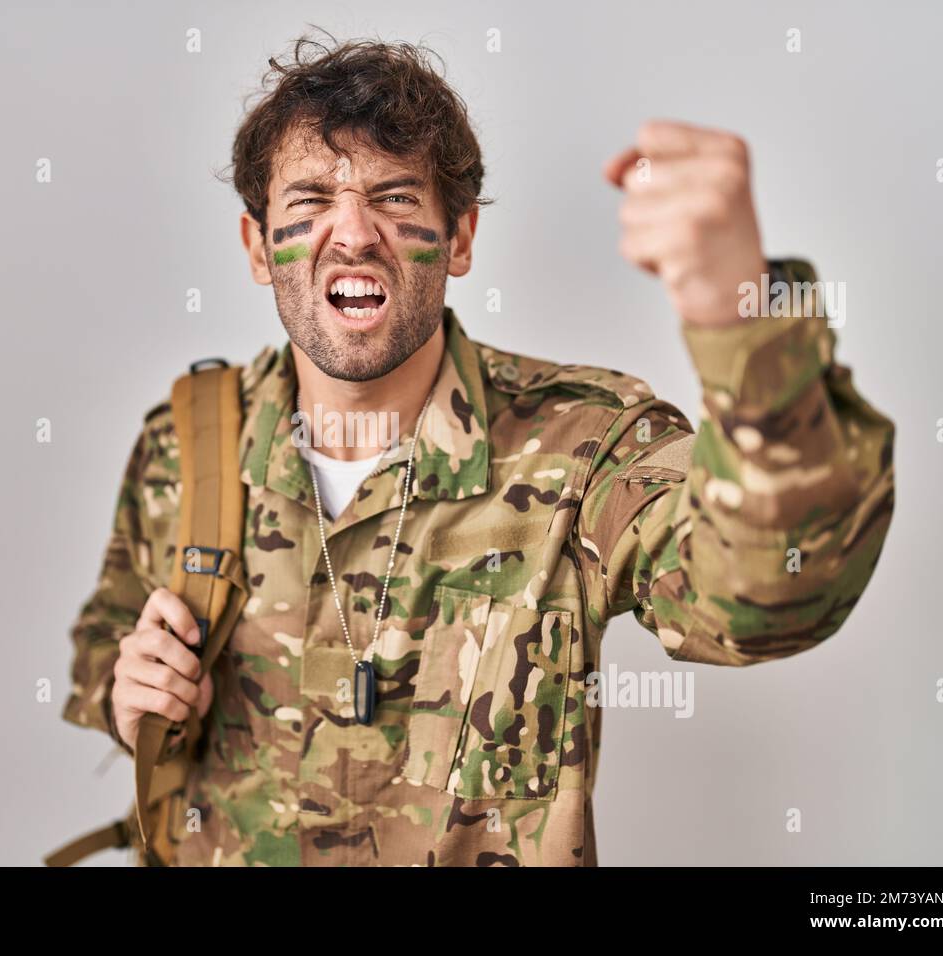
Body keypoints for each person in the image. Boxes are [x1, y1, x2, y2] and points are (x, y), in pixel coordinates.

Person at [61, 35, 895, 866]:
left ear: (459, 240)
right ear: (256, 247)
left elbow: (770, 594)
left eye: (393, 198)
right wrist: (126, 694)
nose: (351, 234)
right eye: (311, 200)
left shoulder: (585, 443)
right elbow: (106, 636)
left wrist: (739, 318)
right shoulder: (184, 444)